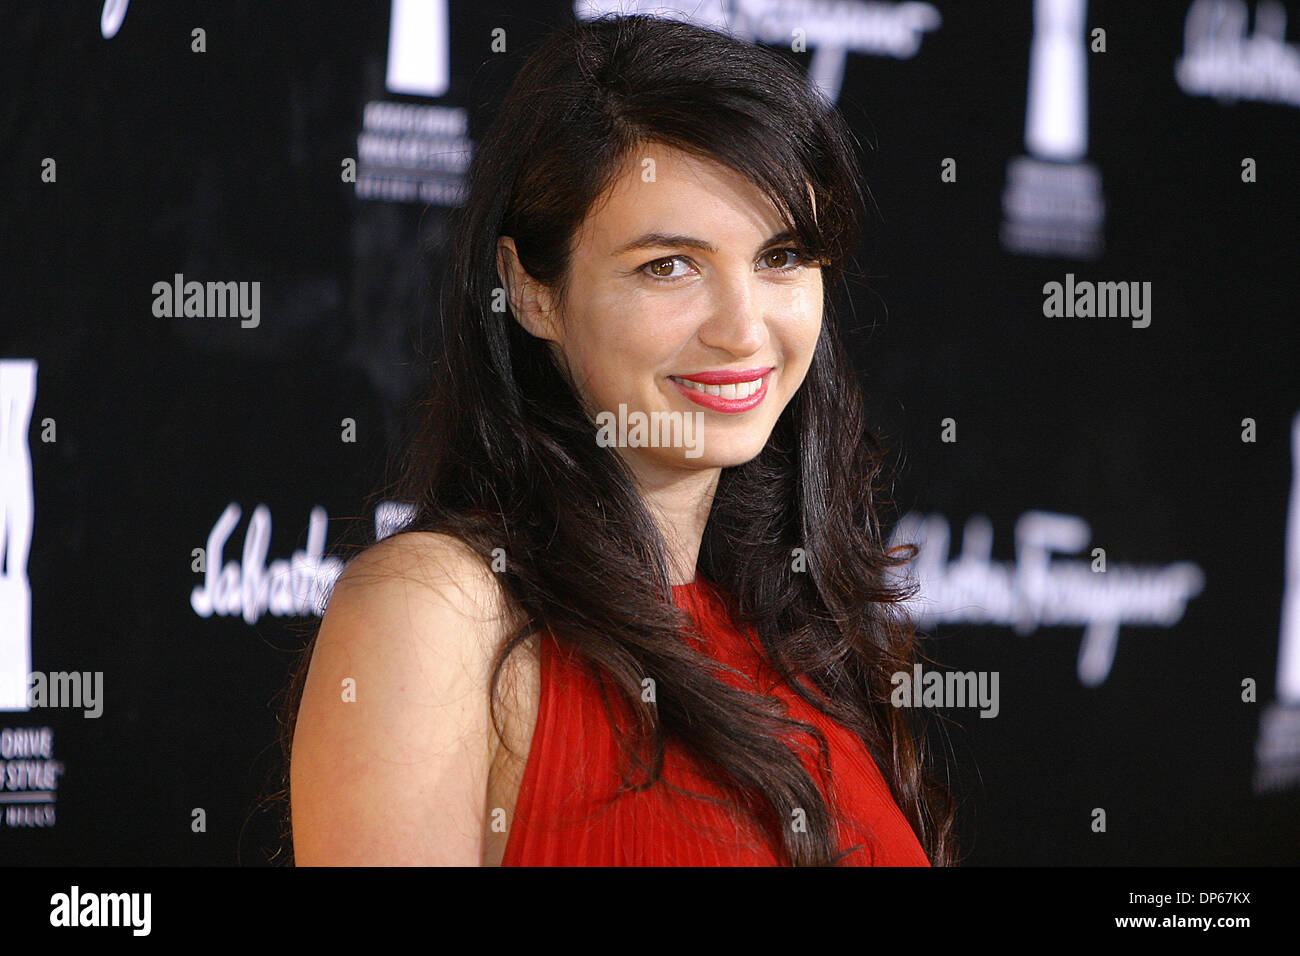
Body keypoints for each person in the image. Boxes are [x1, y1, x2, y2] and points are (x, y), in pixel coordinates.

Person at [285, 13, 957, 866]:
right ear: (531, 292)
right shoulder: (439, 613)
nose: (744, 330)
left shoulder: (803, 631)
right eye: (668, 266)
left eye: (780, 255)